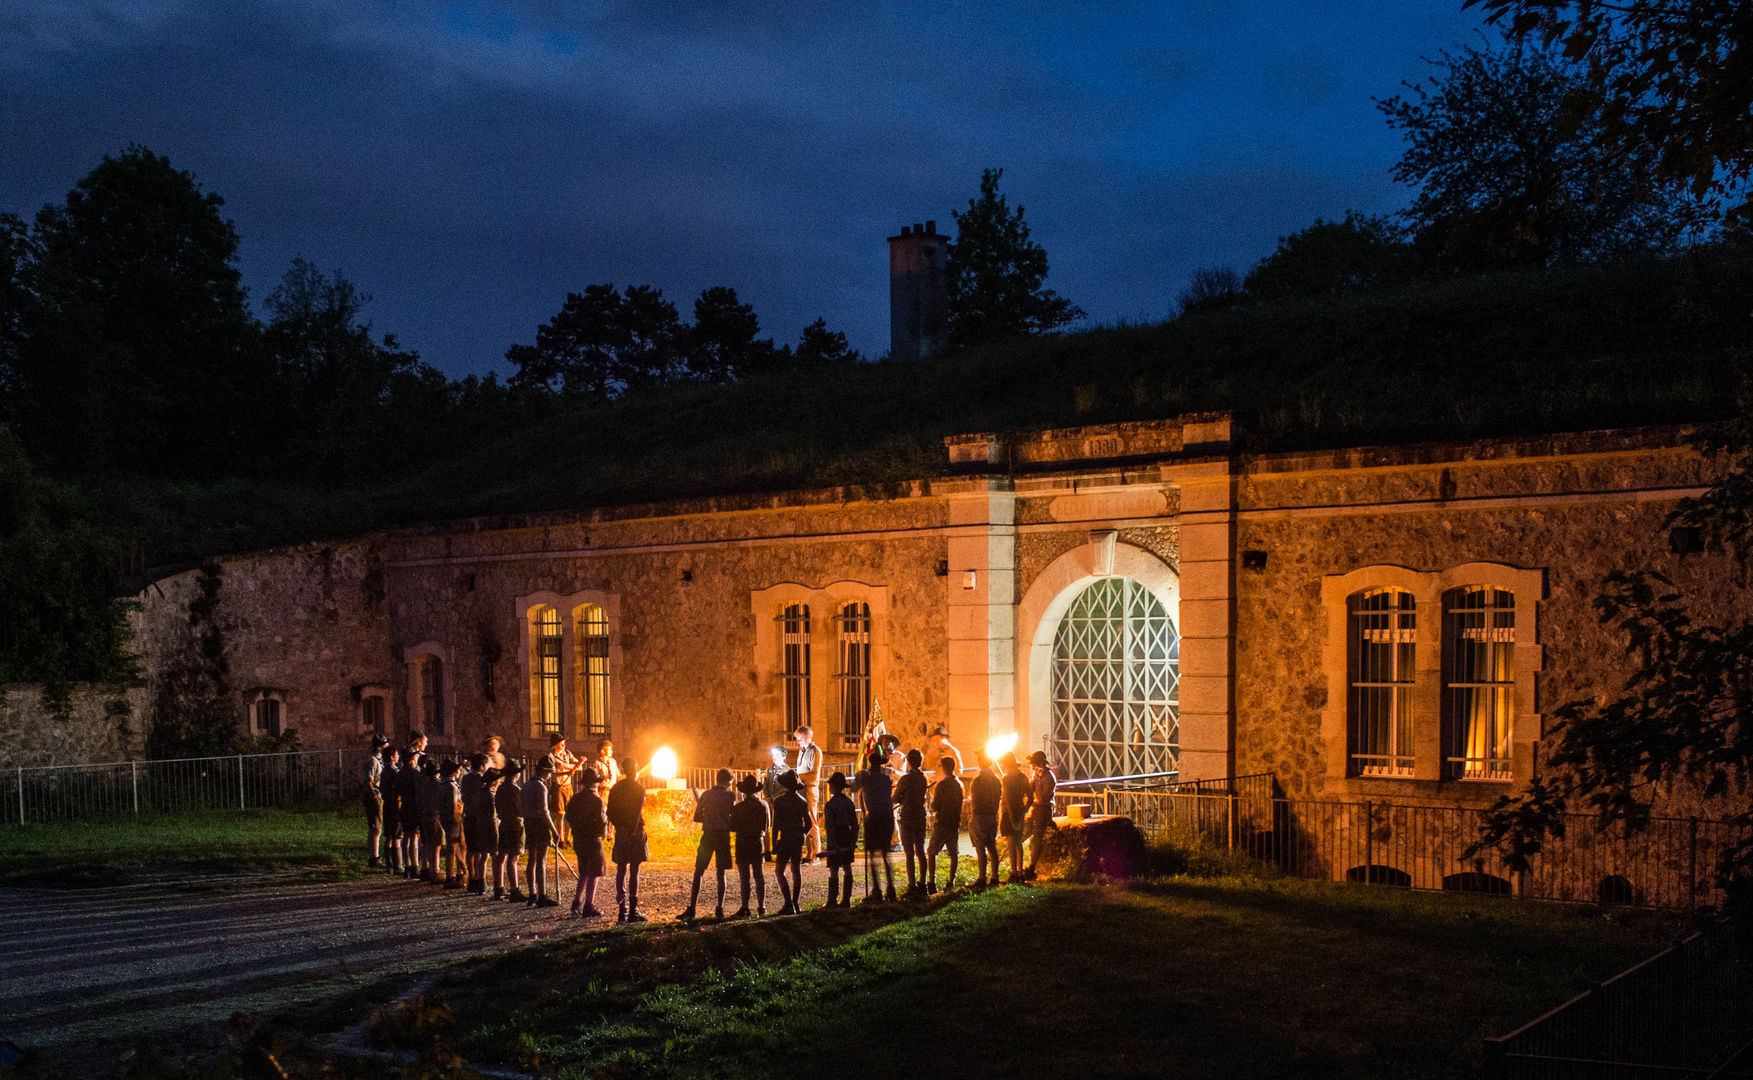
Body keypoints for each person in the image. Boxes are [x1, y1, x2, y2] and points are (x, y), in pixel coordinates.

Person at [680, 769, 736, 922]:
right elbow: (733, 817)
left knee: (699, 871)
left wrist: (708, 817)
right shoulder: (731, 796)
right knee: (721, 872)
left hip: (709, 835)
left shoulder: (706, 795)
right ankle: (720, 908)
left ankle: (692, 907)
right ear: (729, 782)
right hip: (723, 835)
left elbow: (697, 817)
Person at [607, 756, 649, 923]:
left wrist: (619, 827)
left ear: (623, 770)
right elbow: (636, 812)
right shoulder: (639, 788)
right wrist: (632, 829)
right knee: (634, 871)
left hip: (621, 831)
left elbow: (609, 811)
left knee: (621, 870)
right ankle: (633, 909)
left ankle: (622, 908)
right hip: (635, 832)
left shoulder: (616, 788)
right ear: (636, 769)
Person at [565, 767, 608, 918]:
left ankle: (577, 902)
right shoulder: (597, 801)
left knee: (583, 871)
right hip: (593, 839)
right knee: (594, 873)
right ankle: (588, 905)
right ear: (596, 783)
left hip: (578, 838)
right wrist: (603, 834)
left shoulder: (575, 798)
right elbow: (602, 822)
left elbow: (568, 815)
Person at [854, 752, 896, 901]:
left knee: (872, 856)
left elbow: (854, 788)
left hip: (874, 816)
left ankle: (877, 890)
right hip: (887, 816)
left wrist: (860, 773)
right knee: (885, 855)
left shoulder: (866, 776)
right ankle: (891, 888)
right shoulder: (886, 777)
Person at [771, 770, 813, 915]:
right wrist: (802, 834)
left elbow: (776, 824)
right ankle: (796, 903)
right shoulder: (802, 801)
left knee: (779, 870)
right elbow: (808, 823)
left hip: (786, 836)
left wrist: (773, 843)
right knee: (796, 870)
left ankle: (788, 902)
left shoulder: (779, 801)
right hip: (797, 837)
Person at [522, 759, 560, 907]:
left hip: (528, 822)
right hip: (539, 824)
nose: (550, 775)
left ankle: (532, 893)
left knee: (531, 859)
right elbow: (544, 811)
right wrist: (554, 830)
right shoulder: (541, 787)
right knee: (541, 860)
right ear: (545, 772)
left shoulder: (526, 785)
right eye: (550, 772)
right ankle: (542, 894)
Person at [729, 775, 769, 918]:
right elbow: (767, 825)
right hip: (758, 842)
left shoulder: (739, 807)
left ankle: (745, 907)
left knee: (744, 877)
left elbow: (732, 827)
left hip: (743, 842)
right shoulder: (763, 805)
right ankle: (762, 906)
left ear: (744, 791)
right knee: (759, 876)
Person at [894, 749, 929, 896]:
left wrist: (900, 798)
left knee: (909, 853)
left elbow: (895, 798)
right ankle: (923, 883)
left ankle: (911, 885)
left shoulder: (905, 779)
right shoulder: (923, 778)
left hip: (908, 816)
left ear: (908, 761)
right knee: (920, 851)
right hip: (920, 816)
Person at [927, 756, 963, 894]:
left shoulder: (941, 785)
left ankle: (932, 882)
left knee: (931, 852)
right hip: (954, 823)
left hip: (942, 822)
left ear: (943, 767)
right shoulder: (958, 784)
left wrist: (931, 803)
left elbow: (935, 806)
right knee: (953, 853)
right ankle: (951, 881)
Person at [822, 771, 858, 908]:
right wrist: (853, 840)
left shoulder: (830, 805)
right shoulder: (848, 802)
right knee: (847, 867)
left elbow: (830, 826)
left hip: (837, 834)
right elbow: (854, 823)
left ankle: (832, 900)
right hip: (846, 834)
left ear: (834, 787)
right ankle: (846, 900)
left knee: (834, 869)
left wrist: (832, 843)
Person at [968, 749, 1003, 887]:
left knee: (980, 848)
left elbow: (975, 800)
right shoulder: (996, 780)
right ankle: (995, 876)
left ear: (980, 761)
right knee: (992, 847)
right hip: (992, 816)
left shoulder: (978, 780)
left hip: (980, 816)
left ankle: (982, 878)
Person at [462, 754, 496, 895]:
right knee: (482, 851)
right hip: (479, 818)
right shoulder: (481, 782)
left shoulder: (465, 778)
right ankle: (480, 880)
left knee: (471, 850)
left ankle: (472, 879)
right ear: (482, 766)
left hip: (468, 816)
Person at [493, 760, 526, 902]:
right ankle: (514, 889)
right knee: (513, 857)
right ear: (516, 774)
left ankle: (499, 886)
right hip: (514, 824)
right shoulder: (515, 790)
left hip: (504, 823)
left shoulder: (500, 788)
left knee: (502, 855)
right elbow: (520, 809)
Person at [1025, 750, 1058, 880]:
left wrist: (1036, 782)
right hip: (1036, 809)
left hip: (1044, 809)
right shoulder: (1036, 775)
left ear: (1040, 763)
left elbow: (1042, 798)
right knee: (1024, 832)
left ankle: (1031, 867)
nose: (1032, 767)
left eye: (1034, 764)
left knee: (1038, 837)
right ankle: (1018, 865)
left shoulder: (1048, 777)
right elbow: (1030, 791)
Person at [999, 752, 1030, 884]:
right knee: (1018, 842)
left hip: (1009, 812)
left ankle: (1014, 873)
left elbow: (1007, 798)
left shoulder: (1006, 779)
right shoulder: (1023, 777)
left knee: (1011, 842)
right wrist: (1025, 808)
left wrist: (1010, 814)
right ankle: (1020, 871)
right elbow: (1031, 796)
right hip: (1020, 810)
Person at [544, 734, 581, 846]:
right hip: (559, 786)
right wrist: (566, 769)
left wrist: (565, 766)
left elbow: (579, 766)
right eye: (561, 742)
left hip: (568, 786)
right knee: (561, 813)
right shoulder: (551, 756)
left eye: (564, 741)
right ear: (555, 745)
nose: (563, 744)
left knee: (570, 812)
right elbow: (552, 771)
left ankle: (568, 837)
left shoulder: (568, 754)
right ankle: (560, 839)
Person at [793, 725, 822, 861]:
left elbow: (814, 774)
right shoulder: (802, 751)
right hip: (801, 788)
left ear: (806, 737)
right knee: (804, 820)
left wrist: (798, 778)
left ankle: (815, 854)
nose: (797, 741)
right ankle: (809, 853)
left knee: (811, 819)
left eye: (799, 739)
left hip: (810, 788)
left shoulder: (815, 751)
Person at [437, 760, 465, 889]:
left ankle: (456, 874)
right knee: (453, 848)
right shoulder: (451, 786)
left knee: (453, 847)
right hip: (453, 819)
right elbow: (455, 805)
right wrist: (457, 820)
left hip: (445, 818)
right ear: (454, 772)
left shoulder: (443, 784)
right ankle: (451, 876)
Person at [398, 746, 425, 878]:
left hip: (404, 806)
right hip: (413, 807)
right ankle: (415, 866)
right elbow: (418, 792)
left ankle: (407, 865)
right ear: (413, 757)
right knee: (414, 837)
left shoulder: (400, 772)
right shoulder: (415, 773)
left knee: (406, 836)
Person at [363, 734, 388, 868]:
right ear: (380, 747)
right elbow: (369, 780)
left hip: (379, 795)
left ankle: (376, 855)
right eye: (385, 744)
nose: (387, 746)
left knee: (378, 827)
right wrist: (374, 795)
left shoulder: (380, 760)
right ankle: (374, 856)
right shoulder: (373, 761)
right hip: (374, 796)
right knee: (375, 827)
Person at [417, 758, 443, 884]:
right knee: (436, 845)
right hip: (434, 816)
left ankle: (426, 867)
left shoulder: (425, 784)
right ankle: (435, 870)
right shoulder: (438, 785)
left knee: (427, 843)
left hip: (425, 815)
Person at [379, 746, 403, 874]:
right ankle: (398, 865)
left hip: (387, 805)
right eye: (396, 754)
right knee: (397, 836)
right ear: (392, 757)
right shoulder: (395, 772)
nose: (398, 756)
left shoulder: (384, 771)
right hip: (395, 806)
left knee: (388, 835)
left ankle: (389, 865)